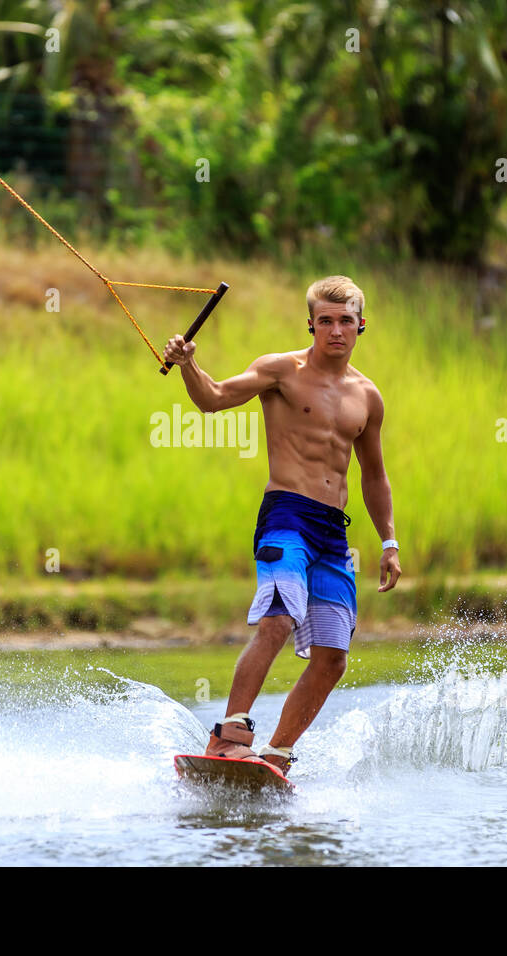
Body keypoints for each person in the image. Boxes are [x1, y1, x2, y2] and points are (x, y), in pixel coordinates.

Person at [162, 275, 401, 776]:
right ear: (311, 323)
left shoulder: (368, 397)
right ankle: (230, 734)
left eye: (345, 322)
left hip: (332, 532)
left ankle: (276, 753)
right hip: (286, 515)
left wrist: (389, 540)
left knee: (333, 658)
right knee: (278, 618)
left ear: (361, 325)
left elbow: (374, 475)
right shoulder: (281, 371)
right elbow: (214, 398)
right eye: (325, 321)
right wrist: (189, 365)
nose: (335, 330)